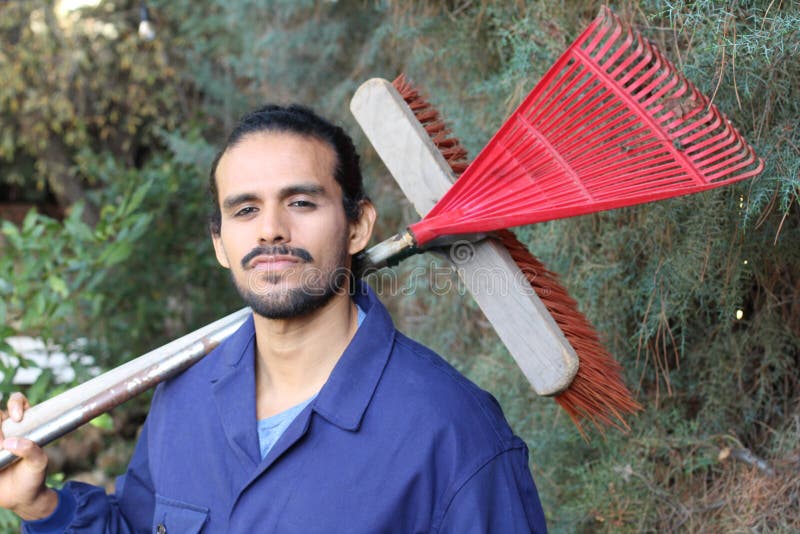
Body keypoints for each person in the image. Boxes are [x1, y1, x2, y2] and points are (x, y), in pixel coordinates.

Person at [0, 104, 547, 532]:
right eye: (245, 210)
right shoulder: (183, 402)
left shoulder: (453, 432)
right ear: (220, 243)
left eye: (302, 203)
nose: (270, 230)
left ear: (357, 228)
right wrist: (41, 504)